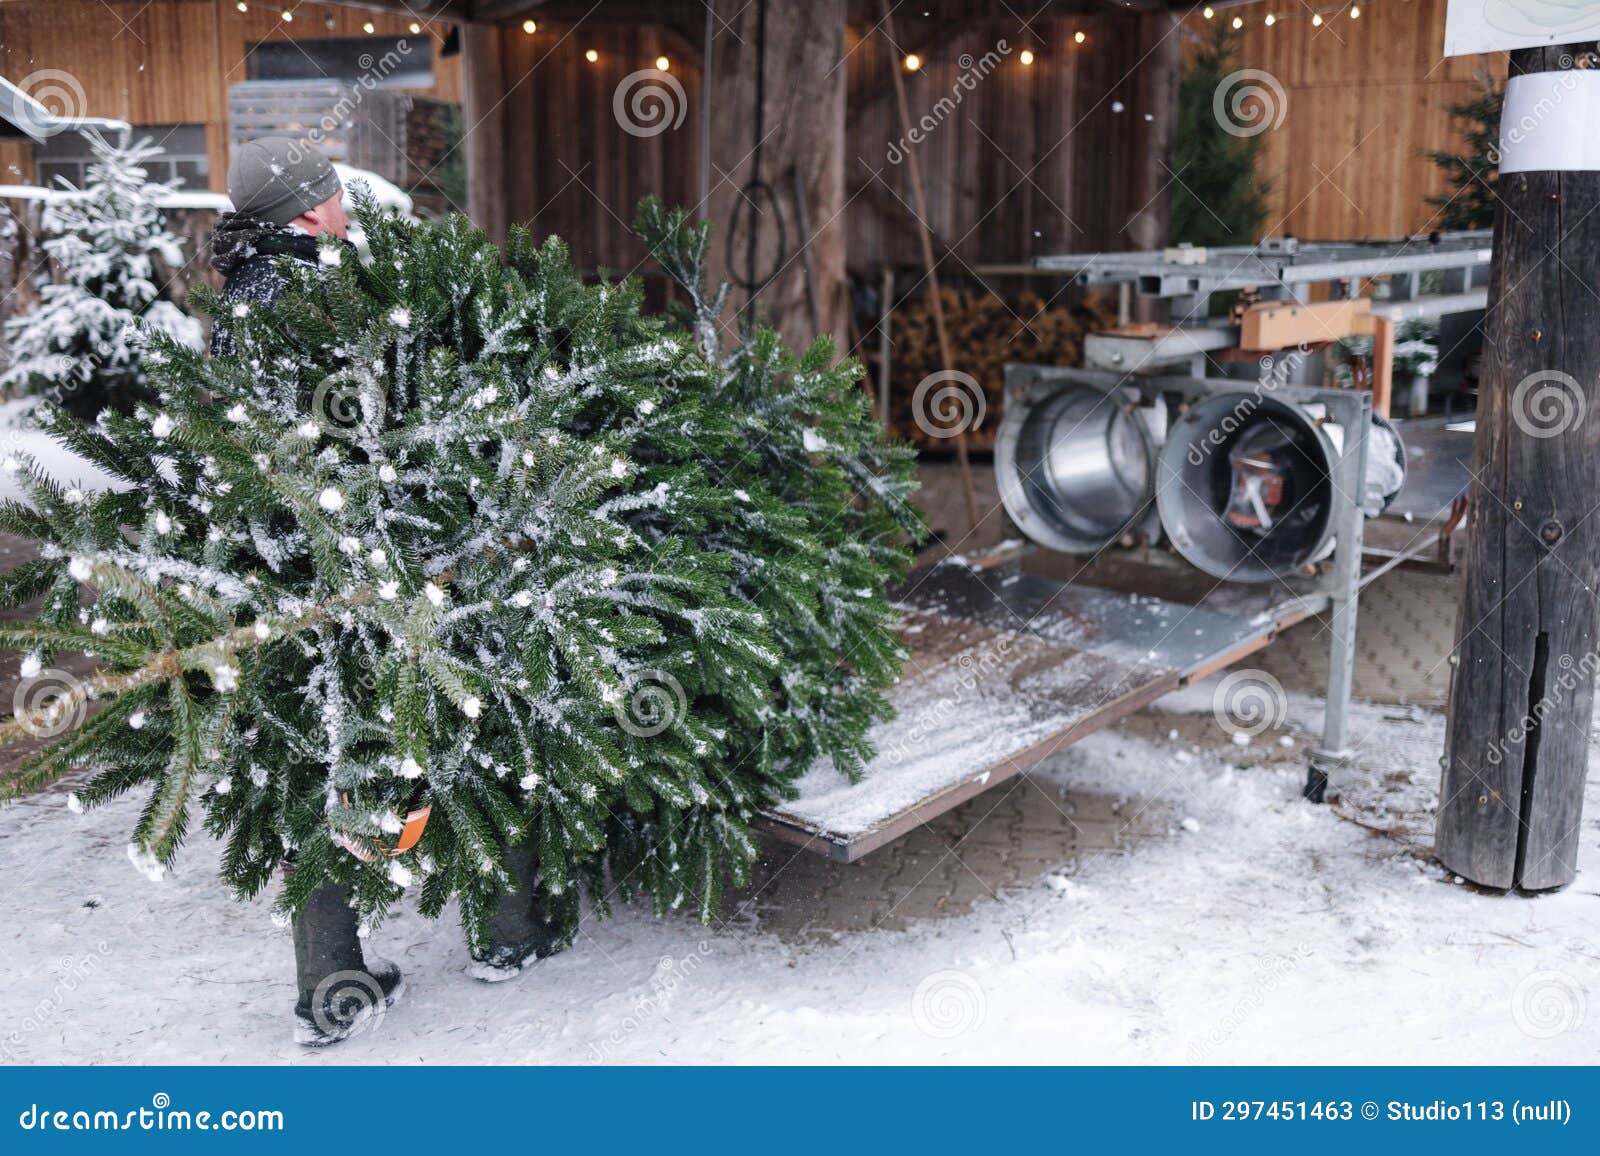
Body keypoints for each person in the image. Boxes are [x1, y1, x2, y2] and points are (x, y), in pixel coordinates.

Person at [210, 138, 564, 1047]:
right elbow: (380, 431)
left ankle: (332, 987)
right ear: (304, 210)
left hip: (286, 578)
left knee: (321, 762)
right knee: (474, 730)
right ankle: (510, 933)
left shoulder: (240, 297)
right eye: (330, 193)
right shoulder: (323, 294)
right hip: (385, 567)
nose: (344, 204)